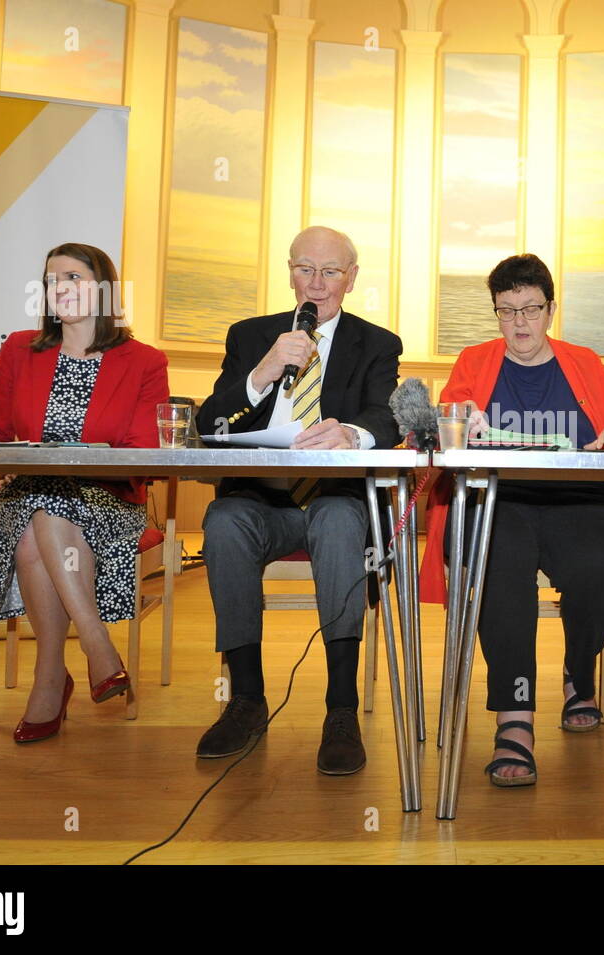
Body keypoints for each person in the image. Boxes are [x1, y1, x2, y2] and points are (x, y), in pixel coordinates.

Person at [419, 253, 604, 787]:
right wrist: (460, 423)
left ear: (550, 309)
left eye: (531, 309)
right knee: (494, 561)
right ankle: (515, 717)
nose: (520, 323)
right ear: (496, 314)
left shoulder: (583, 360)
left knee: (602, 559)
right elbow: (446, 419)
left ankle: (577, 668)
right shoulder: (475, 361)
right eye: (507, 312)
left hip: (579, 498)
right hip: (499, 499)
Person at [194, 226, 401, 774]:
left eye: (330, 272)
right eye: (305, 268)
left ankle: (340, 708)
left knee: (336, 520)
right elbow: (208, 423)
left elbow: (389, 416)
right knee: (224, 520)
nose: (317, 283)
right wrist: (260, 373)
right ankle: (246, 700)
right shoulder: (249, 335)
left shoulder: (377, 343)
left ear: (351, 280)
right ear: (289, 273)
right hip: (260, 501)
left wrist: (352, 433)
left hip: (334, 499)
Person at [0, 242, 170, 743]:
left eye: (72, 278)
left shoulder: (144, 360)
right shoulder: (20, 349)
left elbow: (144, 447)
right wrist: (26, 456)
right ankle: (97, 644)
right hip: (25, 494)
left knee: (38, 527)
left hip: (106, 499)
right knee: (42, 505)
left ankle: (49, 678)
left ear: (103, 289)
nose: (58, 287)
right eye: (50, 279)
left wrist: (70, 460)